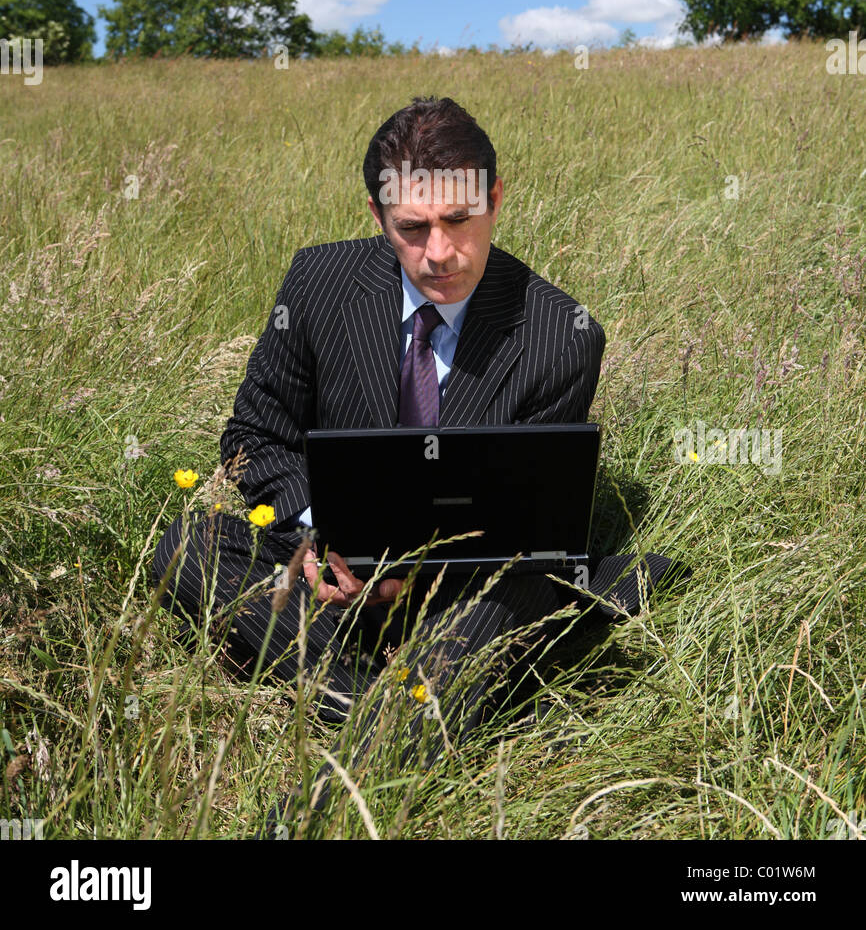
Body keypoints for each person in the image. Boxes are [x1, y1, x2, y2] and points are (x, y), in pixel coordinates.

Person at [151, 95, 681, 818]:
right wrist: (316, 532)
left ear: (494, 200)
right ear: (377, 218)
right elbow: (253, 435)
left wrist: (409, 579)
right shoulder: (317, 284)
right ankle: (386, 701)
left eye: (460, 221)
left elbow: (532, 526)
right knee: (187, 544)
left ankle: (322, 807)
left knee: (513, 599)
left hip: (467, 592)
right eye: (412, 229)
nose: (439, 253)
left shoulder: (562, 334)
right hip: (322, 573)